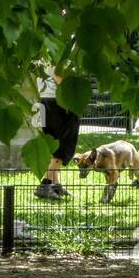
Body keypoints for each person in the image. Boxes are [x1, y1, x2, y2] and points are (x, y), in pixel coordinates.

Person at [33, 65, 81, 200]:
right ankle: (45, 184)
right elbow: (59, 77)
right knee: (64, 143)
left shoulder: (41, 50)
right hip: (61, 102)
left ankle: (56, 184)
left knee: (53, 142)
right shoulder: (60, 50)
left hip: (44, 100)